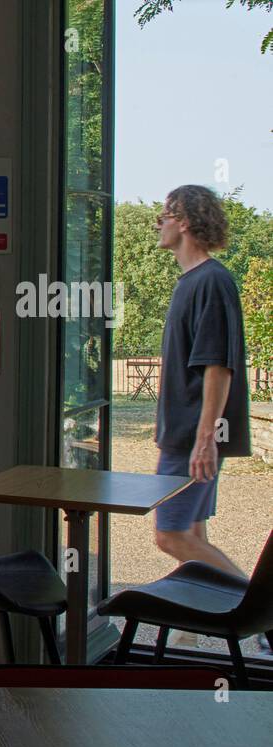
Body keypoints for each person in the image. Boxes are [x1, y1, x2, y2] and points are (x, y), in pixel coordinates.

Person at [151, 185, 251, 578]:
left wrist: (205, 439)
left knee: (170, 535)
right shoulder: (192, 282)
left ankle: (260, 611)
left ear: (186, 222)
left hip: (192, 438)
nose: (159, 225)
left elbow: (217, 367)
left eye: (164, 216)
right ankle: (200, 626)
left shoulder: (211, 281)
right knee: (193, 534)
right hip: (187, 436)